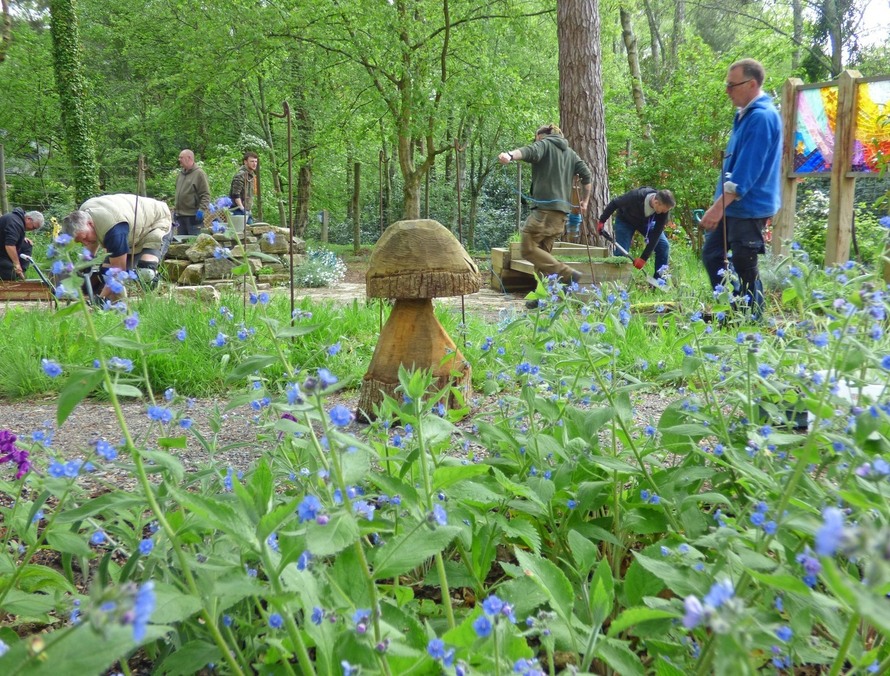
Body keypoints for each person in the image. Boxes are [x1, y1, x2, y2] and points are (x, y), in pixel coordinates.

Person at [699, 58, 782, 320]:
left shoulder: (761, 118)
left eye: (732, 85)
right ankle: (733, 309)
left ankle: (750, 319)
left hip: (748, 206)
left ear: (752, 84)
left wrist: (717, 208)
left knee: (744, 265)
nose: (727, 90)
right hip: (734, 205)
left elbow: (747, 172)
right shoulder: (745, 116)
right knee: (713, 255)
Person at [498, 124, 592, 286]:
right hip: (561, 215)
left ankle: (567, 274)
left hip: (544, 212)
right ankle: (542, 299)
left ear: (541, 136)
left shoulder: (544, 144)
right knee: (542, 258)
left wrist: (509, 155)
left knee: (528, 249)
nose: (536, 142)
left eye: (536, 139)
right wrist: (585, 201)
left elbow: (528, 151)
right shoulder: (570, 153)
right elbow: (587, 175)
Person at [62, 194, 173, 299]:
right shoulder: (83, 215)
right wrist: (86, 264)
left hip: (156, 221)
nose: (85, 243)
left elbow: (118, 271)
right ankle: (117, 309)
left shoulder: (113, 229)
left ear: (90, 224)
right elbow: (91, 241)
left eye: (85, 238)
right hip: (131, 228)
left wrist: (101, 299)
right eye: (80, 242)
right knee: (106, 273)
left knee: (146, 272)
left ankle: (150, 305)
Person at [597, 188, 675, 278]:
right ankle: (616, 283)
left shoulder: (664, 209)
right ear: (656, 202)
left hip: (647, 223)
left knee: (663, 245)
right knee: (621, 255)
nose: (664, 212)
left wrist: (643, 258)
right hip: (625, 221)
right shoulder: (635, 196)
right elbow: (615, 203)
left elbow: (656, 234)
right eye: (663, 210)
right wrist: (602, 221)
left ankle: (659, 283)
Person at [174, 149, 211, 236]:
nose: (179, 160)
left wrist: (201, 210)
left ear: (189, 158)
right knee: (181, 245)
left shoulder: (199, 174)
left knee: (193, 243)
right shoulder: (180, 175)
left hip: (193, 217)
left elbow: (206, 194)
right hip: (180, 216)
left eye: (181, 157)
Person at [0, 208, 44, 281]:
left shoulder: (18, 219)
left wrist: (21, 236)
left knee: (27, 244)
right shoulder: (15, 223)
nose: (32, 230)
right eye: (33, 227)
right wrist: (17, 264)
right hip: (2, 253)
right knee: (10, 274)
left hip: (4, 250)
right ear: (29, 219)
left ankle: (20, 273)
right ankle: (15, 272)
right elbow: (10, 245)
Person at [229, 151, 258, 222]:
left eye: (256, 161)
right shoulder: (240, 175)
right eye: (252, 161)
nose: (254, 164)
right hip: (238, 210)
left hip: (247, 209)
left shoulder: (251, 175)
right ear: (245, 162)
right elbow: (235, 194)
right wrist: (242, 209)